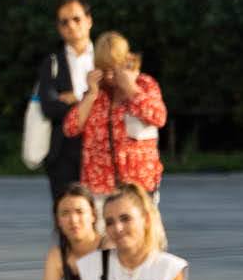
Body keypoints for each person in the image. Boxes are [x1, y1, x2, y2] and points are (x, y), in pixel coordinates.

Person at [62, 30, 167, 204]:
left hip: (139, 185)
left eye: (114, 68)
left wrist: (131, 89)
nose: (110, 76)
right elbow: (70, 128)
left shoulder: (144, 84)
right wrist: (90, 95)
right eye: (104, 69)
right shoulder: (95, 93)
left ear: (126, 61)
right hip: (99, 187)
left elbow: (159, 117)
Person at [35, 0, 96, 216]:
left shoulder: (106, 57)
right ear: (59, 28)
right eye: (64, 21)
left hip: (102, 152)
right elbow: (49, 107)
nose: (71, 25)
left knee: (103, 219)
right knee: (67, 220)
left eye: (76, 19)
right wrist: (89, 100)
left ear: (89, 20)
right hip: (63, 154)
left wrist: (75, 99)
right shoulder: (52, 63)